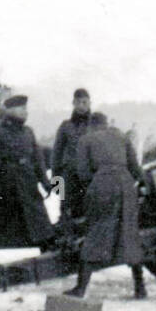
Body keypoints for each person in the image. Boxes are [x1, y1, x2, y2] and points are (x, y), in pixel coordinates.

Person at [66, 112, 146, 299]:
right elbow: (135, 168)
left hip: (103, 185)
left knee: (96, 234)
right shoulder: (121, 136)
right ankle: (140, 288)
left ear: (91, 125)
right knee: (130, 235)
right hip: (126, 186)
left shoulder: (86, 139)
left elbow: (83, 172)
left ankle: (80, 288)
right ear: (106, 123)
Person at [0, 94, 53, 263]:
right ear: (10, 110)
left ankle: (48, 254)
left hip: (28, 185)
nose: (25, 112)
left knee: (40, 219)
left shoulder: (28, 132)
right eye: (21, 108)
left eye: (26, 108)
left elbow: (38, 161)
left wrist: (46, 184)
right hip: (7, 187)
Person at [51, 88, 92, 231]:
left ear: (90, 103)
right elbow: (56, 154)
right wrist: (56, 181)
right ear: (73, 103)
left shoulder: (95, 126)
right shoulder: (65, 126)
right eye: (78, 102)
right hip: (68, 176)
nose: (82, 105)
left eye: (85, 102)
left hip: (89, 176)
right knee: (66, 209)